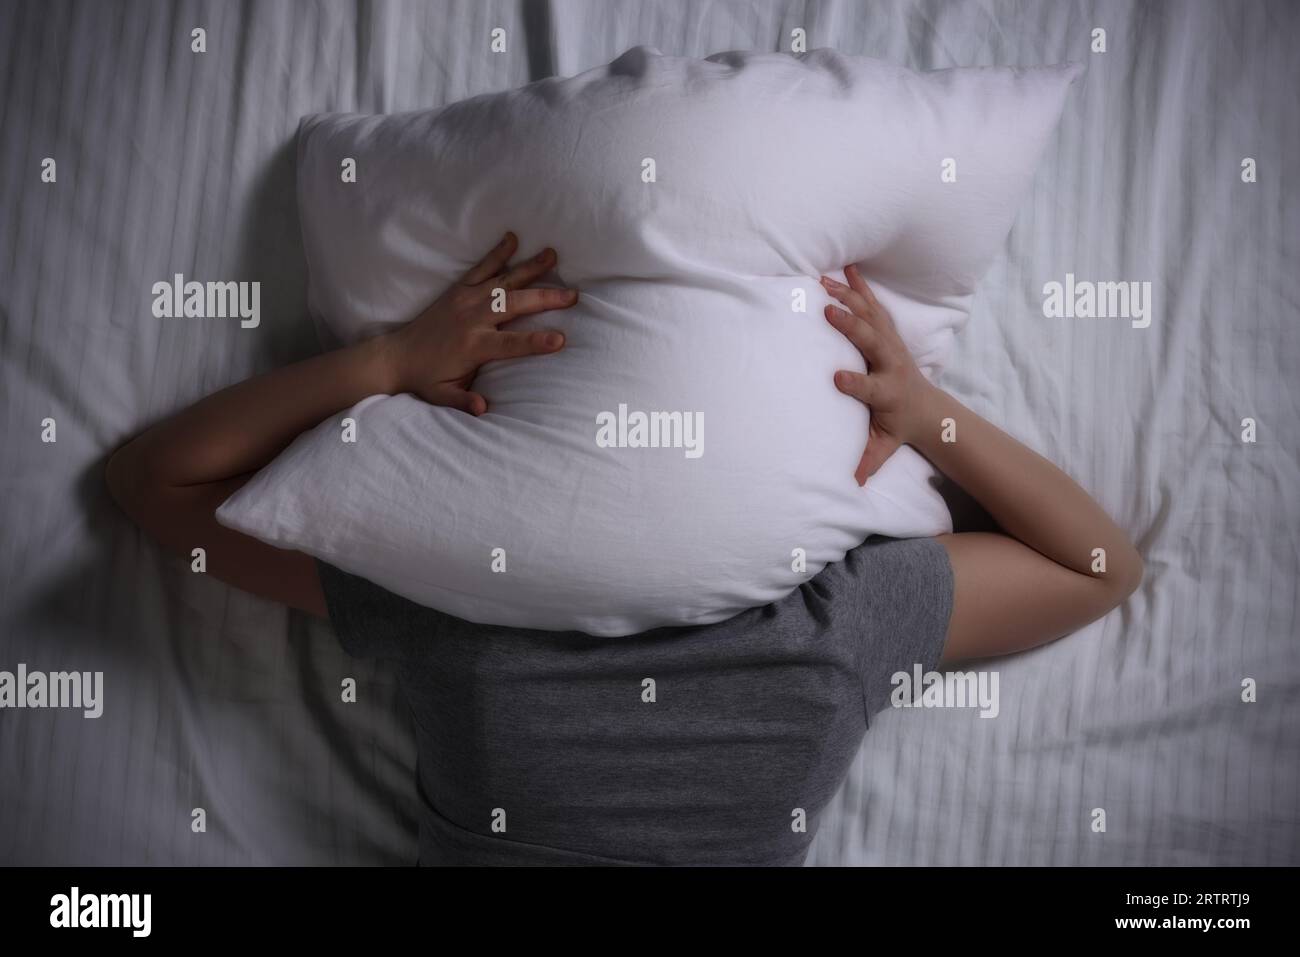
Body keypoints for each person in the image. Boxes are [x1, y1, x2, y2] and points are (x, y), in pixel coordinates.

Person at [105, 233, 1143, 865]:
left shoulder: (454, 588)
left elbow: (156, 484)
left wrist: (384, 363)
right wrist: (922, 414)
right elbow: (1098, 569)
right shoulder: (831, 627)